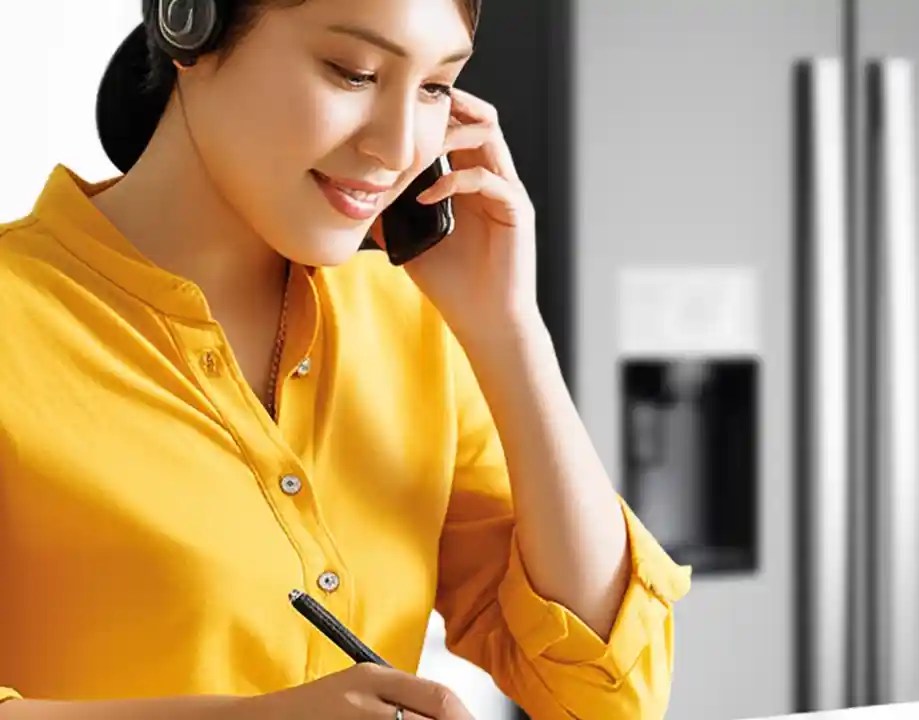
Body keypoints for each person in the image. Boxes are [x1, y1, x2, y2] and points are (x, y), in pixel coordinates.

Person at [0, 1, 691, 719]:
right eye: (353, 73)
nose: (398, 148)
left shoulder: (412, 324)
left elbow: (604, 694)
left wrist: (510, 331)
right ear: (189, 24)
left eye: (435, 88)